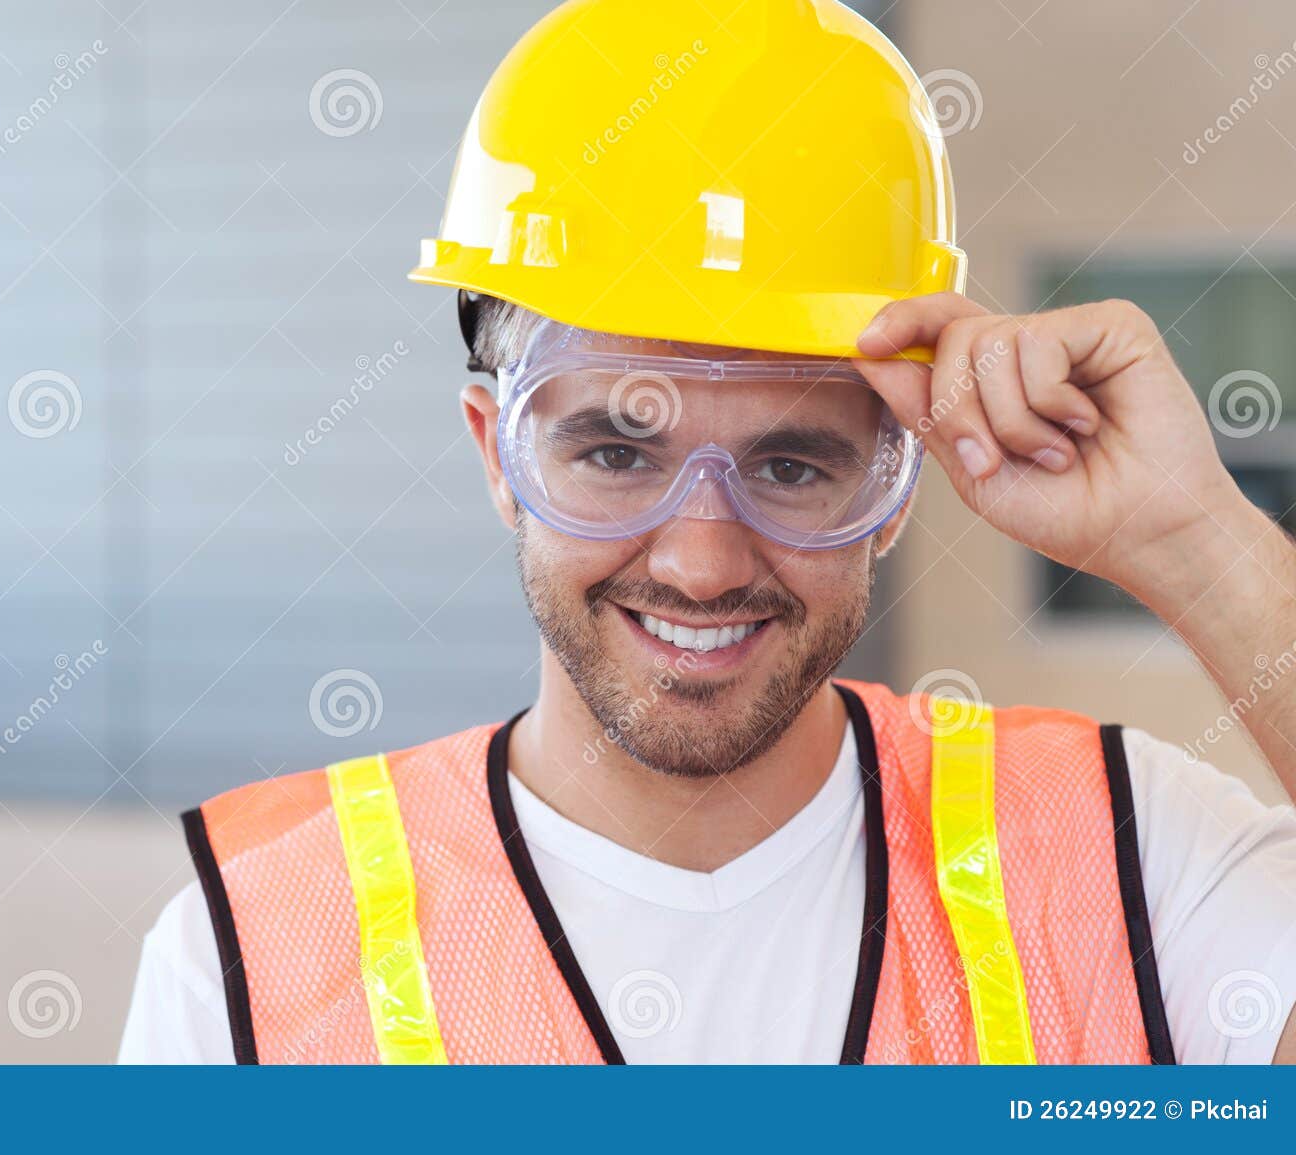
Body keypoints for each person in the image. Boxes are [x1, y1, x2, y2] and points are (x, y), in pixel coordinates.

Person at [119, 0, 1296, 1064]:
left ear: (899, 477)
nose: (701, 562)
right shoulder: (251, 961)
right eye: (615, 454)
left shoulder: (1128, 860)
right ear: (497, 454)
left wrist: (1195, 544)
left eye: (791, 467)